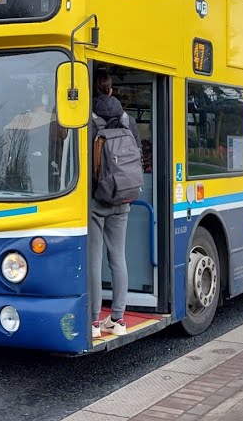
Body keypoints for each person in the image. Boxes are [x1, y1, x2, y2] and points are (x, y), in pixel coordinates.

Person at [88, 71, 141, 339]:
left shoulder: (89, 121)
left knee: (94, 261)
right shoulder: (127, 120)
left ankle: (94, 322)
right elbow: (138, 155)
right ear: (110, 91)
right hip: (123, 198)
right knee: (118, 258)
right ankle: (118, 319)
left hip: (97, 200)